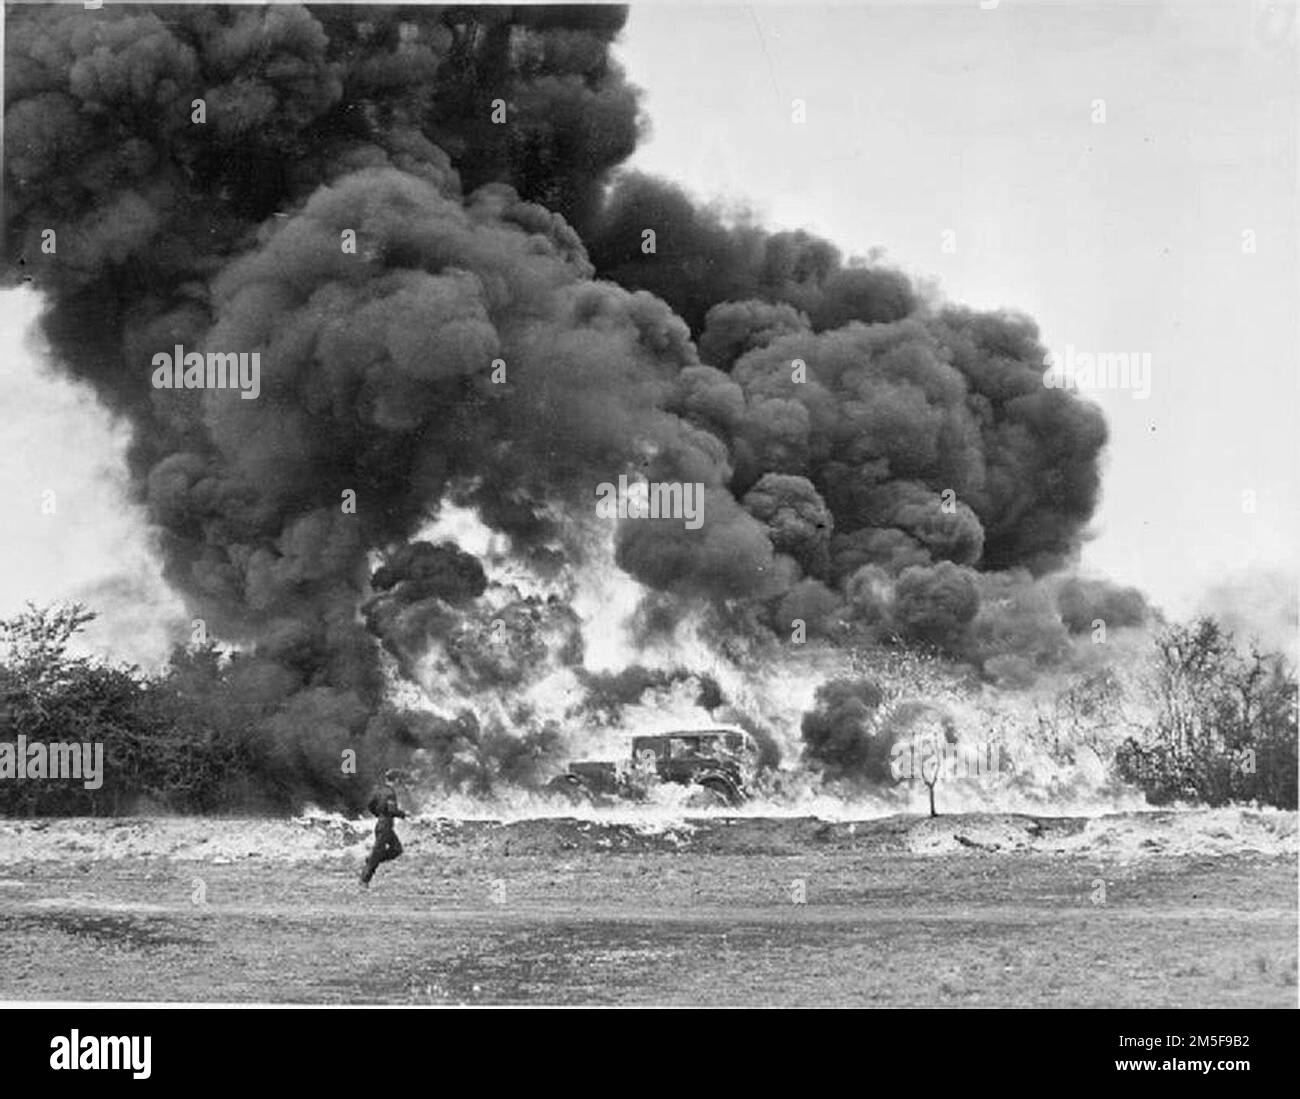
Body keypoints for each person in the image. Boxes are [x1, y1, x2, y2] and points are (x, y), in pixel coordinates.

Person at [359, 769, 407, 888]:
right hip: (385, 825)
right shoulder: (390, 793)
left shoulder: (379, 791)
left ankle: (371, 859)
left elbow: (370, 805)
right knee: (378, 852)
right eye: (398, 780)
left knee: (397, 849)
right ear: (396, 780)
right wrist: (403, 814)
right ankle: (364, 879)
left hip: (382, 824)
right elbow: (392, 810)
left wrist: (378, 814)